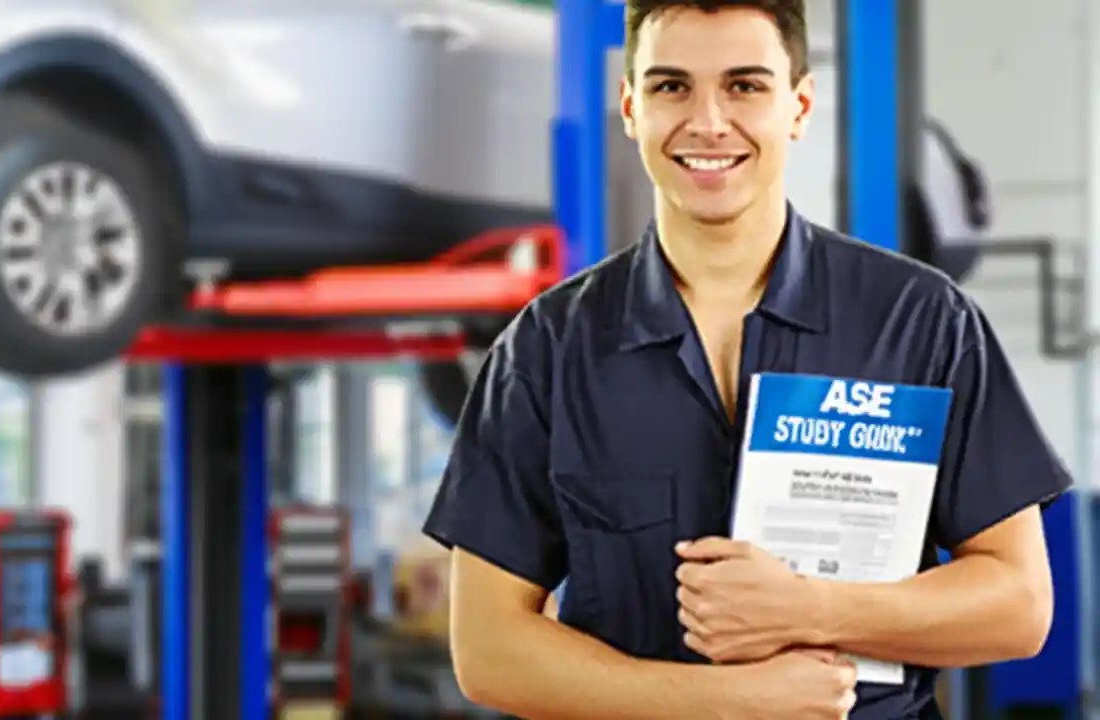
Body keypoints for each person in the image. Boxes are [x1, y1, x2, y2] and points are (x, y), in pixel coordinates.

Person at [421, 0, 1072, 718]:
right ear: (631, 107)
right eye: (672, 86)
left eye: (744, 85)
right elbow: (487, 648)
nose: (707, 122)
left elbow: (1019, 605)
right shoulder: (546, 351)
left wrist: (814, 608)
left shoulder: (918, 321)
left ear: (798, 105)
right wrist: (722, 703)